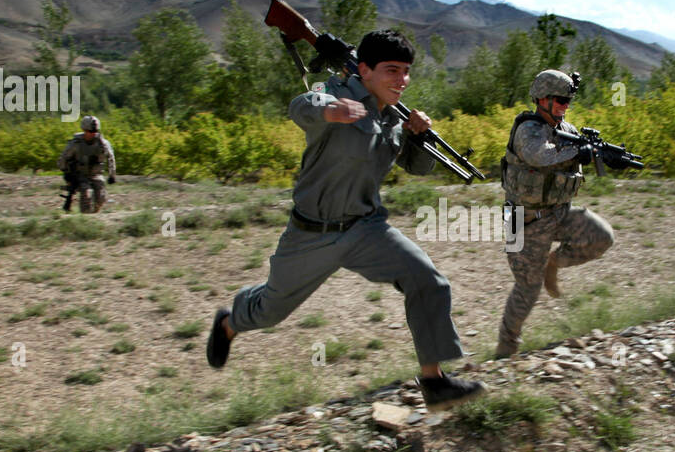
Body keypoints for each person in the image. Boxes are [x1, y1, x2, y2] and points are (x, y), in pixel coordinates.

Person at [205, 29, 484, 412]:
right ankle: (229, 323)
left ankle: (434, 382)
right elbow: (301, 104)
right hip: (311, 233)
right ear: (364, 69)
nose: (401, 80)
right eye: (391, 70)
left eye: (405, 71)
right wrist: (329, 111)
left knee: (428, 280)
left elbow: (416, 167)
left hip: (365, 229)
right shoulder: (338, 96)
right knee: (270, 311)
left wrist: (419, 135)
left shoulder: (393, 118)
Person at [494, 70, 618, 359]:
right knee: (528, 288)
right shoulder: (528, 129)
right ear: (542, 99)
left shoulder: (569, 129)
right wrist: (578, 152)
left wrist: (604, 156)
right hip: (520, 222)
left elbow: (579, 154)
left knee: (603, 237)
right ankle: (506, 349)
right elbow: (540, 155)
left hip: (558, 214)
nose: (565, 106)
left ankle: (554, 262)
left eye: (568, 101)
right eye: (560, 100)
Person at [56, 115, 116, 213]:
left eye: (94, 132)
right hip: (80, 175)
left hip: (96, 174)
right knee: (86, 194)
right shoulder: (75, 144)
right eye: (90, 132)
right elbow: (63, 158)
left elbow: (111, 158)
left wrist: (112, 175)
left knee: (101, 197)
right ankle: (85, 218)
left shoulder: (103, 144)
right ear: (84, 130)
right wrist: (66, 173)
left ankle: (95, 216)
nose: (92, 134)